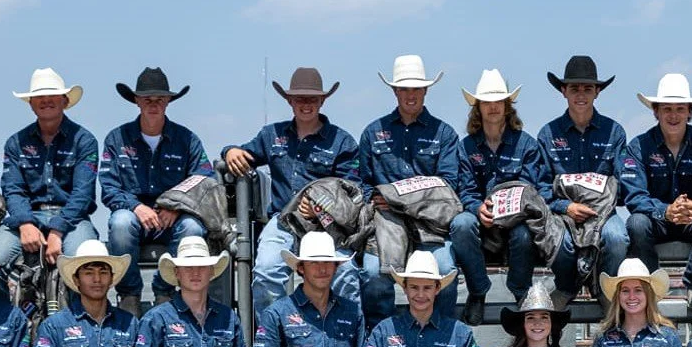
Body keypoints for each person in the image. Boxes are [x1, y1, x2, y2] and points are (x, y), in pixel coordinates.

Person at [226, 67, 364, 307]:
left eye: (312, 99)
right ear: (290, 101)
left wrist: (322, 210)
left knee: (345, 273)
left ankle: (347, 339)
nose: (306, 104)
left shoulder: (343, 142)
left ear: (322, 101)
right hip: (283, 221)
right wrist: (230, 150)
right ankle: (273, 336)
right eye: (300, 98)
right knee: (266, 271)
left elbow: (353, 193)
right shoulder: (271, 135)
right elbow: (244, 153)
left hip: (327, 227)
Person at [450, 70, 570, 318]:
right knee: (462, 223)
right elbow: (466, 189)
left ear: (507, 106)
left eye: (498, 102)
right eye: (487, 102)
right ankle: (478, 291)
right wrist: (477, 208)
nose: (493, 107)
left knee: (524, 233)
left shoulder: (526, 145)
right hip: (482, 223)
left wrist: (507, 211)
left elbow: (529, 189)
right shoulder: (466, 146)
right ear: (478, 107)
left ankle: (520, 291)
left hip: (516, 220)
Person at [359, 54, 465, 319]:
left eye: (416, 88)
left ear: (426, 90)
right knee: (373, 274)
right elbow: (362, 183)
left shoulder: (445, 134)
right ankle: (380, 338)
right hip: (385, 224)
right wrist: (377, 199)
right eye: (404, 88)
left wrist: (396, 198)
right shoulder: (372, 133)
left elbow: (449, 185)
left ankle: (441, 337)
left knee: (444, 270)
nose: (410, 95)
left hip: (431, 226)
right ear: (394, 90)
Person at [101, 67, 215, 312]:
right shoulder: (116, 139)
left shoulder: (187, 139)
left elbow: (204, 178)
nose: (153, 105)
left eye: (160, 99)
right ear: (136, 101)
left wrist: (176, 205)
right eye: (147, 99)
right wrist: (136, 207)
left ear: (168, 102)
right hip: (134, 216)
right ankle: (129, 295)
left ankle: (164, 290)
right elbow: (108, 186)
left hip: (173, 219)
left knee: (193, 228)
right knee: (120, 223)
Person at [620, 73, 692, 302]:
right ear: (656, 111)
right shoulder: (638, 146)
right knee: (636, 223)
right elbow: (634, 196)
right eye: (667, 109)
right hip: (657, 221)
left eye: (680, 109)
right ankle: (655, 288)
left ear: (690, 112)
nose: (673, 115)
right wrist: (666, 211)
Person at [0, 68, 99, 271]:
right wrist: (25, 224)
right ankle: (6, 304)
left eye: (52, 96)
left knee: (82, 265)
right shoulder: (16, 143)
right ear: (31, 104)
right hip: (28, 215)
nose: (46, 101)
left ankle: (74, 304)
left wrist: (57, 230)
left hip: (72, 219)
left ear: (65, 101)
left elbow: (82, 193)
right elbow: (12, 189)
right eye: (39, 97)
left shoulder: (84, 141)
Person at [538, 55, 632, 278]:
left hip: (605, 214)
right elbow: (540, 187)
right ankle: (567, 288)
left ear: (597, 92)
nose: (581, 94)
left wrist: (598, 207)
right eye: (574, 88)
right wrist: (566, 207)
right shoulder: (547, 134)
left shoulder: (614, 132)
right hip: (561, 215)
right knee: (560, 243)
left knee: (617, 238)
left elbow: (623, 183)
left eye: (587, 88)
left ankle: (604, 291)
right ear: (564, 91)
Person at [28, 240, 138, 347]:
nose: (97, 279)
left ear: (112, 278)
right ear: (76, 279)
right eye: (88, 272)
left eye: (103, 272)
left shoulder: (129, 324)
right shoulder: (54, 326)